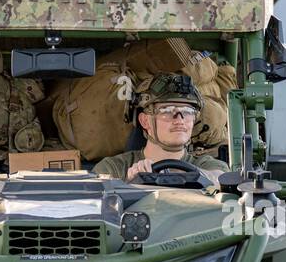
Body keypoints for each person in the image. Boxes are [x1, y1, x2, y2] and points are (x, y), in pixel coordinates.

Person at [92, 73, 229, 181]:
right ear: (145, 121)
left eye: (187, 112)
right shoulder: (114, 169)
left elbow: (219, 179)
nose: (180, 120)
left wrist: (179, 173)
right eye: (167, 111)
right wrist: (128, 184)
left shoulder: (208, 165)